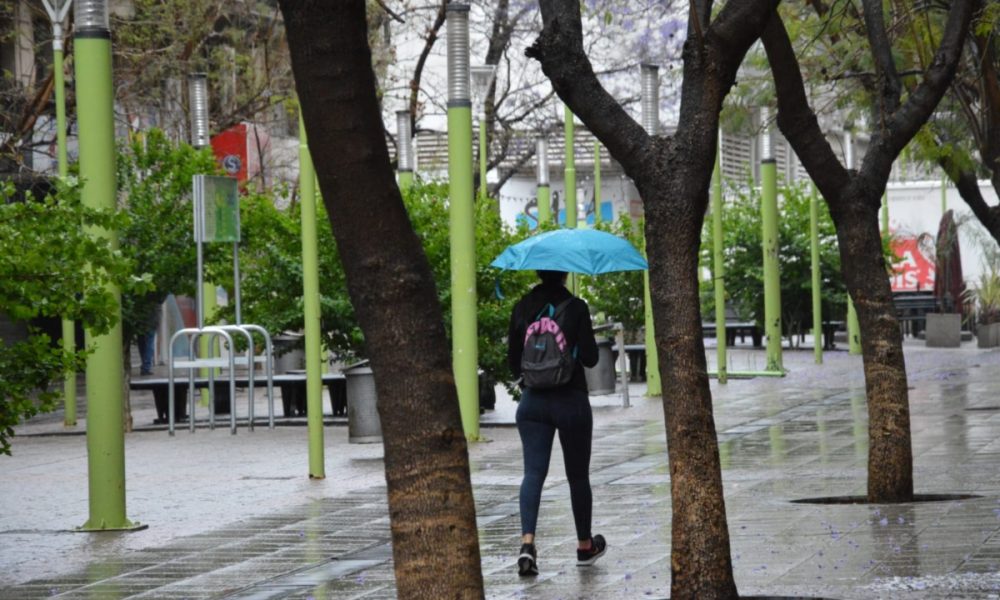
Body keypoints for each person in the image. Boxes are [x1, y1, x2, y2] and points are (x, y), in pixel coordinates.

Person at [507, 269, 606, 576]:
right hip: (571, 401)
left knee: (533, 473)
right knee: (577, 476)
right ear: (564, 273)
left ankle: (527, 545)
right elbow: (590, 358)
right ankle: (584, 545)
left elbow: (513, 362)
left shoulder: (522, 306)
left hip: (532, 403)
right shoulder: (576, 307)